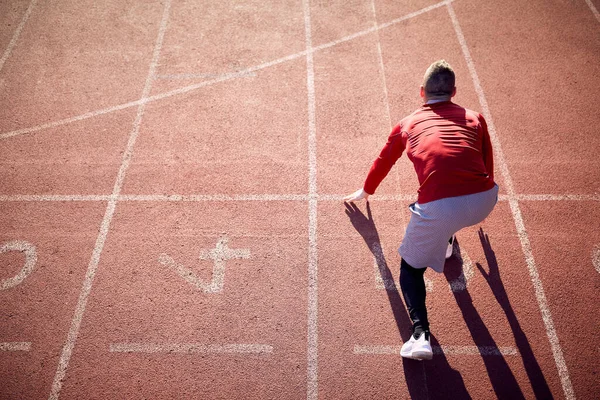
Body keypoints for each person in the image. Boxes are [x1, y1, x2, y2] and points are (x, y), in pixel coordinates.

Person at [344, 60, 498, 360]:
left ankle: (420, 335)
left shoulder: (408, 123)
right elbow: (486, 161)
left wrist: (366, 190)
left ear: (421, 93)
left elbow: (384, 161)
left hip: (442, 206)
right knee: (448, 214)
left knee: (410, 270)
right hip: (484, 199)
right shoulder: (475, 118)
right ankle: (448, 243)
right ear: (453, 92)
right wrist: (482, 197)